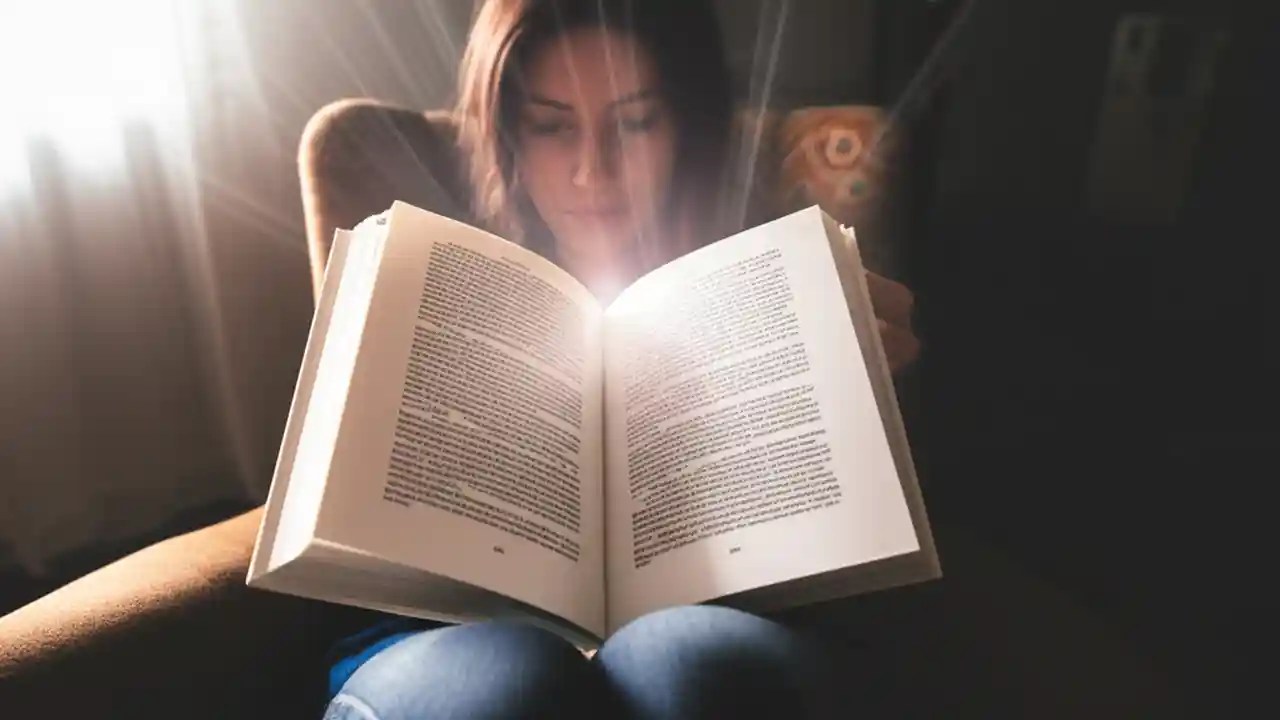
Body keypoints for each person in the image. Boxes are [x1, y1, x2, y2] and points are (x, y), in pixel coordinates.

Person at [322, 1, 1173, 718]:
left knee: (697, 665)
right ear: (507, 134)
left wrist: (870, 410)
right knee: (498, 687)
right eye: (551, 127)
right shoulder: (442, 279)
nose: (593, 170)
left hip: (714, 616)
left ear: (687, 121)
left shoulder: (768, 277)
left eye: (635, 121)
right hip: (451, 627)